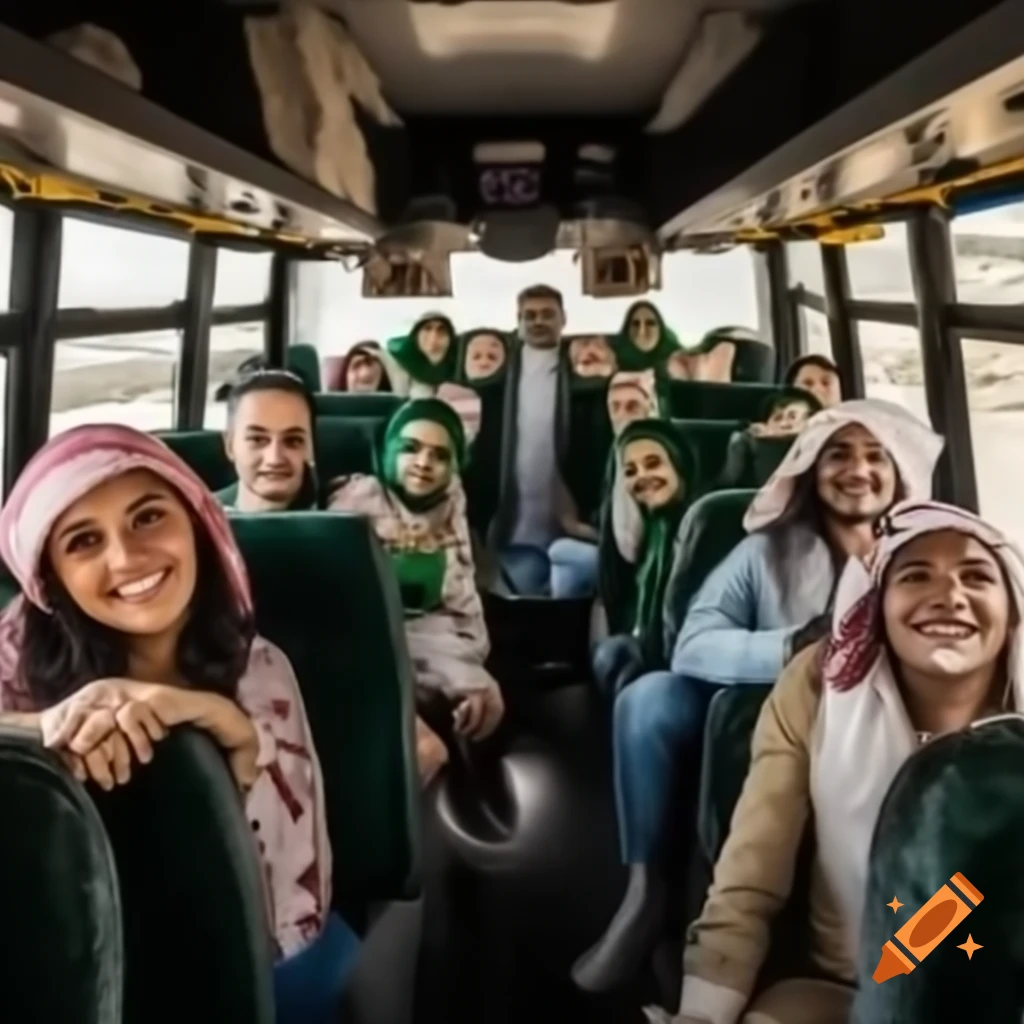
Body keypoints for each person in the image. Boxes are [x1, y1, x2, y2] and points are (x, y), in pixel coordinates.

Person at [572, 399, 944, 994]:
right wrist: (796, 645)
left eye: (877, 456)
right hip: (768, 727)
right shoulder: (763, 551)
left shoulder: (935, 556)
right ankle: (648, 896)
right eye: (839, 455)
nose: (858, 470)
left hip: (892, 736)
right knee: (651, 698)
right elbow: (694, 644)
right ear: (809, 470)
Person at [0, 424, 353, 1023]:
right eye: (83, 540)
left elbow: (284, 907)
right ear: (52, 578)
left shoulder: (261, 673)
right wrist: (46, 730)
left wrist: (226, 738)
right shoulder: (17, 648)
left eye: (147, 518)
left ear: (197, 524)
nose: (127, 558)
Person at [660, 500, 1024, 1024]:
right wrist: (702, 1013)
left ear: (1010, 610)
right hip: (844, 984)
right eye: (917, 575)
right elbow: (750, 876)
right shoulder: (817, 692)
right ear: (877, 605)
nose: (949, 597)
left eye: (976, 577)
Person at [329, 399, 505, 743]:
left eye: (440, 456)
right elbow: (340, 615)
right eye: (411, 449)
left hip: (433, 643)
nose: (424, 464)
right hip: (367, 650)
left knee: (484, 701)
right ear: (388, 450)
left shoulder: (451, 506)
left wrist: (468, 675)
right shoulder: (353, 503)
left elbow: (461, 611)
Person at [591, 420, 698, 695]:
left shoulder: (700, 527)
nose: (642, 476)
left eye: (653, 463)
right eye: (630, 471)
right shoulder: (649, 531)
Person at [551, 371, 659, 604]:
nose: (622, 415)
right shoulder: (611, 452)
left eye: (632, 407)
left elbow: (632, 543)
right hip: (615, 553)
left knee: (561, 552)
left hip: (639, 564)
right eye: (615, 407)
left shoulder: (653, 456)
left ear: (650, 409)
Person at [496, 284, 571, 596]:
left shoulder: (579, 365)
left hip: (564, 513)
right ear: (518, 320)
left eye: (547, 314)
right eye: (529, 316)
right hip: (511, 514)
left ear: (563, 319)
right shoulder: (499, 367)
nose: (538, 322)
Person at [217, 369, 319, 512]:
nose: (274, 459)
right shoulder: (197, 521)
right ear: (229, 445)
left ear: (311, 447)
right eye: (257, 439)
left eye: (293, 441)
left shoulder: (344, 510)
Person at [717, 388, 822, 490]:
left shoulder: (824, 452)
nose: (784, 424)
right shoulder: (747, 447)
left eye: (792, 417)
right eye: (777, 418)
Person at [386, 313, 458, 398]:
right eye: (427, 329)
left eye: (441, 330)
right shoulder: (401, 364)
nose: (433, 337)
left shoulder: (459, 364)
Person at [611, 301, 681, 372]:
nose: (641, 331)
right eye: (635, 324)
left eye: (650, 323)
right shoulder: (609, 356)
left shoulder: (682, 363)